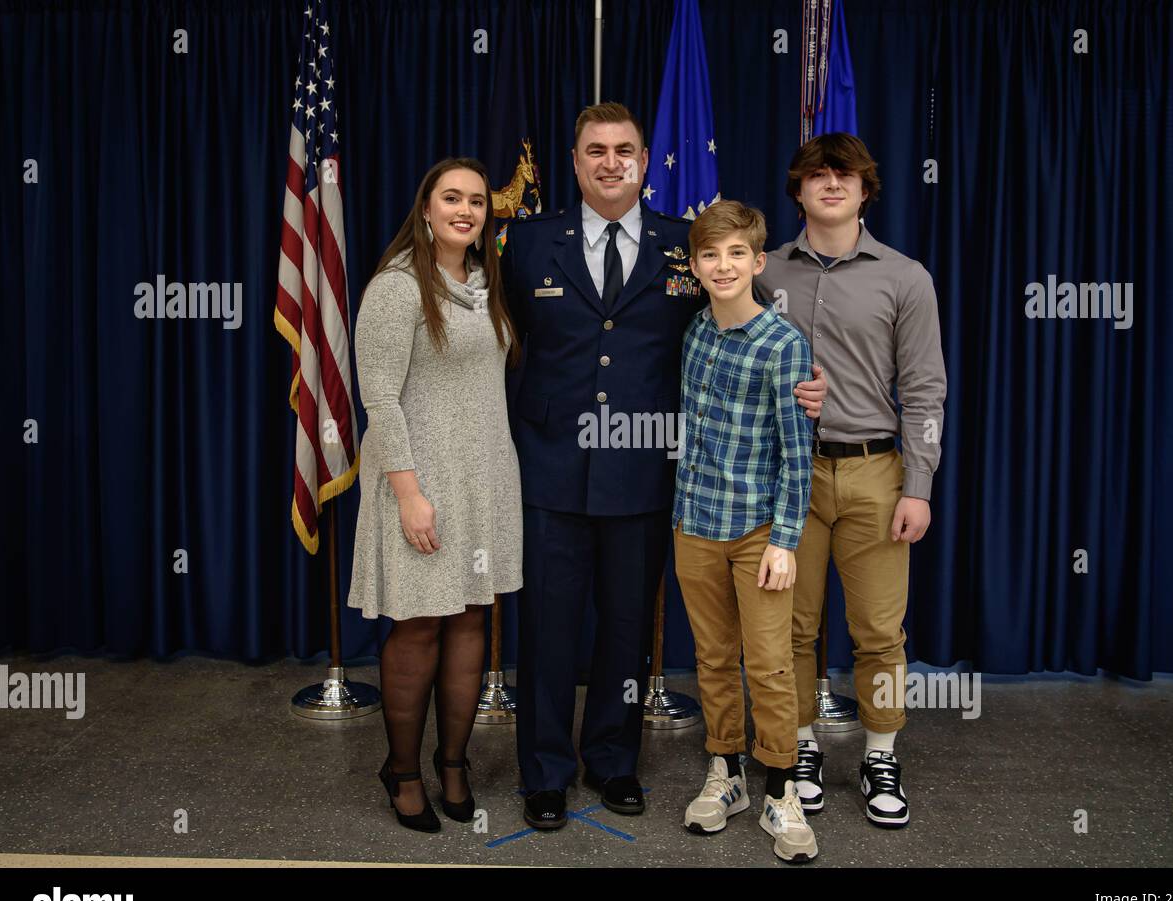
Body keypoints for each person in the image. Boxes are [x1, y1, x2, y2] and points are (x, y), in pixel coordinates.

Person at [498, 103, 827, 830]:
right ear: (576, 160)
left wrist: (806, 380)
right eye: (595, 151)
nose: (610, 162)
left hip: (644, 473)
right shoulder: (525, 244)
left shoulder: (685, 245)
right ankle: (546, 771)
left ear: (645, 161)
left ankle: (614, 760)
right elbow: (504, 339)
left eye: (624, 150)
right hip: (551, 470)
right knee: (549, 631)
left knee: (624, 630)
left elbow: (745, 309)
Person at [753, 133, 947, 828]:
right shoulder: (762, 272)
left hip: (874, 471)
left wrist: (918, 483)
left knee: (879, 630)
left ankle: (881, 751)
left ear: (867, 190)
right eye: (817, 174)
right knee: (791, 627)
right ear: (797, 189)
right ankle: (799, 745)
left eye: (845, 175)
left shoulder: (905, 278)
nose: (831, 184)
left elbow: (925, 388)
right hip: (788, 474)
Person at [349, 157, 523, 832]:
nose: (466, 209)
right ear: (426, 208)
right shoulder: (397, 288)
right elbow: (381, 399)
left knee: (472, 620)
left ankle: (454, 762)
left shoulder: (486, 282)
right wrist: (410, 494)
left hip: (485, 483)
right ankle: (402, 768)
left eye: (477, 201)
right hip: (418, 482)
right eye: (451, 197)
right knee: (419, 623)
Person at [673, 200, 817, 863]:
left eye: (736, 254)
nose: (722, 265)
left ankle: (781, 788)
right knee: (713, 656)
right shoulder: (695, 332)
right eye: (710, 254)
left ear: (759, 262)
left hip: (759, 531)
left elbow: (796, 451)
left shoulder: (784, 344)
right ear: (695, 265)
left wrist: (786, 539)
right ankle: (726, 771)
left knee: (770, 662)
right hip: (694, 525)